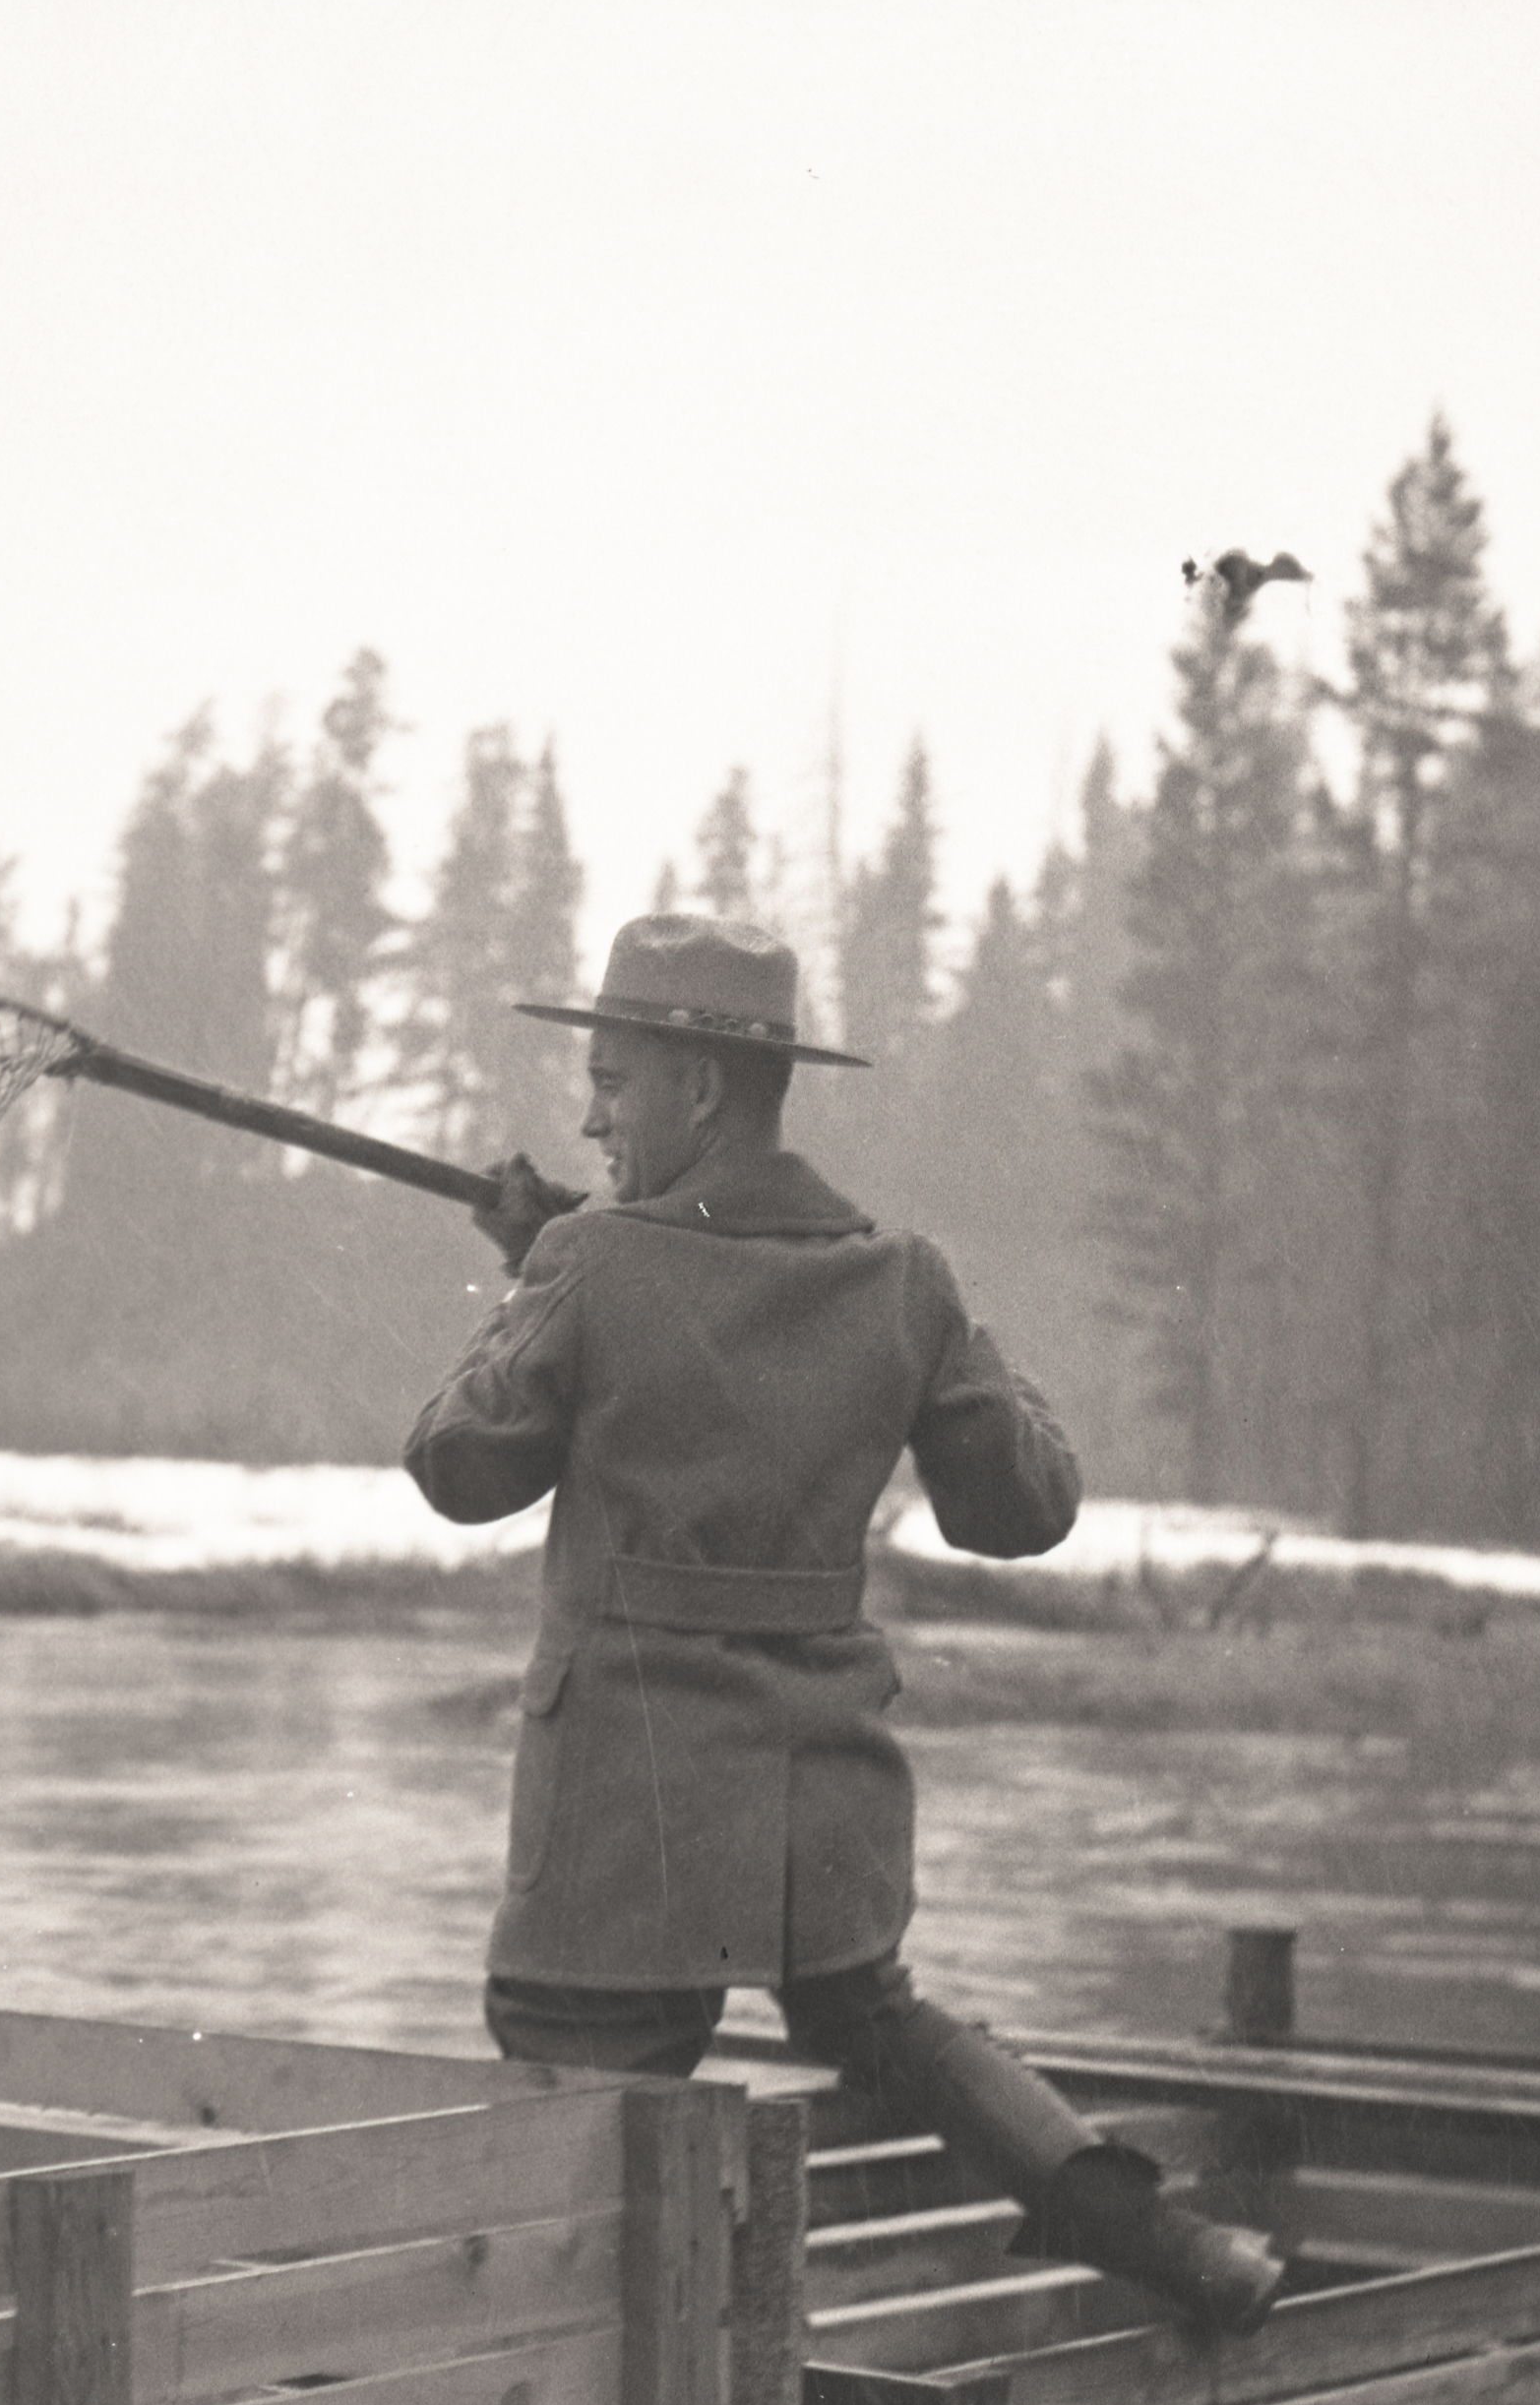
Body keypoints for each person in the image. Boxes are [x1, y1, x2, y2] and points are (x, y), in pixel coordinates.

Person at [402, 911, 1285, 2332]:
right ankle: (1168, 2240)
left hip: (621, 1830)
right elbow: (1026, 1505)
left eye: (613, 1082)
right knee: (873, 2017)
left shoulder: (588, 1260)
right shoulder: (900, 1275)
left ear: (696, 1088)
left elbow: (457, 1466)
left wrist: (539, 1271)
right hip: (818, 1811)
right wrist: (948, 1341)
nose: (589, 1113)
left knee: (569, 2123)